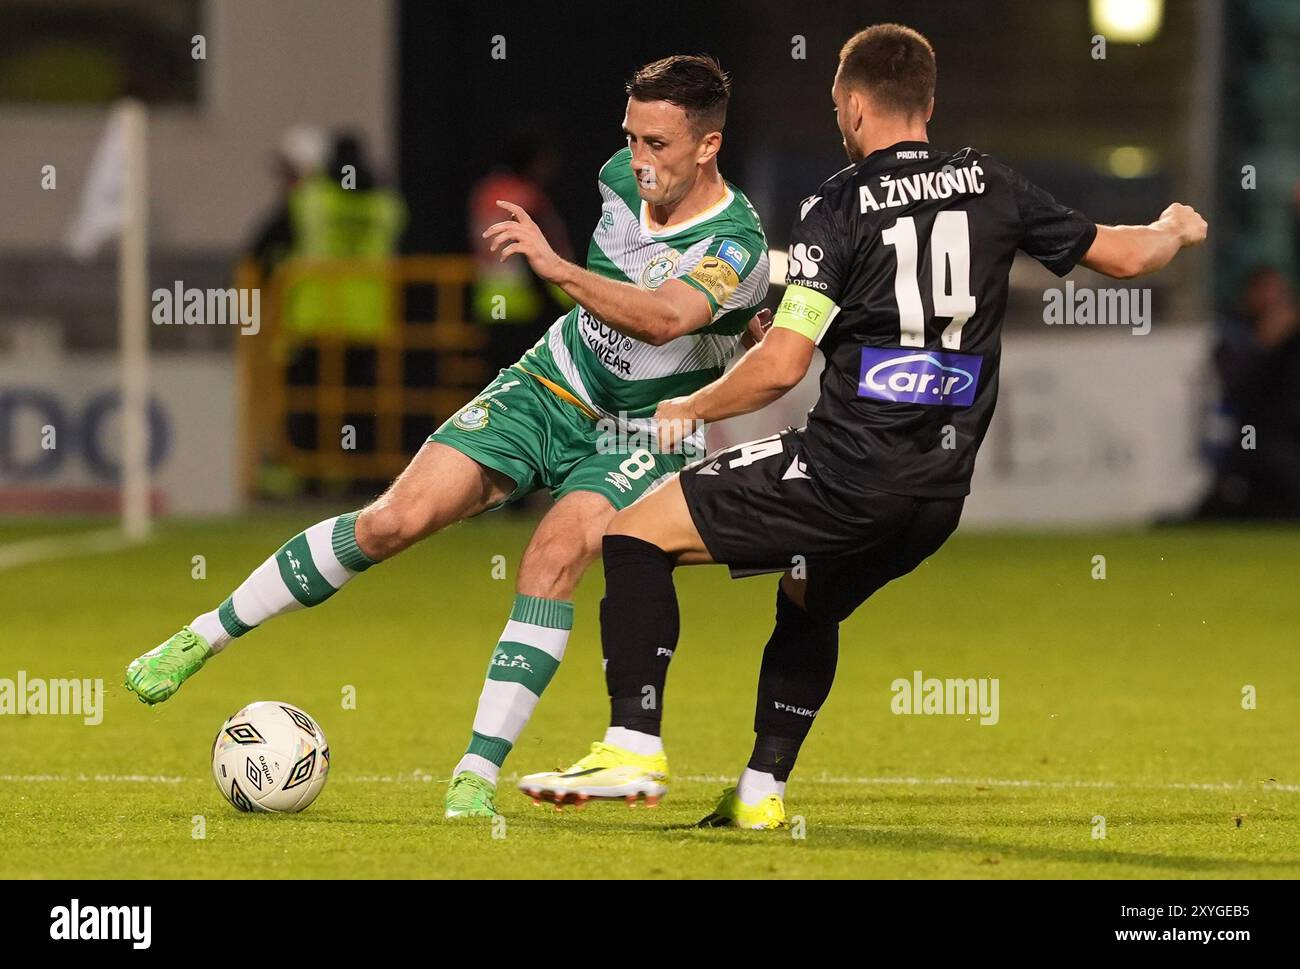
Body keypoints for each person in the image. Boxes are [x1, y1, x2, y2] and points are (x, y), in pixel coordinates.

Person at [519, 23, 1208, 828]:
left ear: (851, 106)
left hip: (845, 470)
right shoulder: (992, 183)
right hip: (936, 497)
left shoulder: (838, 205)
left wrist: (691, 405)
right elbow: (1125, 257)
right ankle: (759, 795)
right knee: (808, 598)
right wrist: (1174, 228)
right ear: (929, 102)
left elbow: (783, 366)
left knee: (635, 536)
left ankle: (632, 742)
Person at [123, 55, 771, 822]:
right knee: (391, 519)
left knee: (553, 552)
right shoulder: (617, 177)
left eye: (658, 144)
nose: (639, 159)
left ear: (708, 146)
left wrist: (554, 267)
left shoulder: (736, 246)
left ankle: (473, 772)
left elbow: (666, 318)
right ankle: (205, 635)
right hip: (554, 379)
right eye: (631, 137)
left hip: (650, 424)